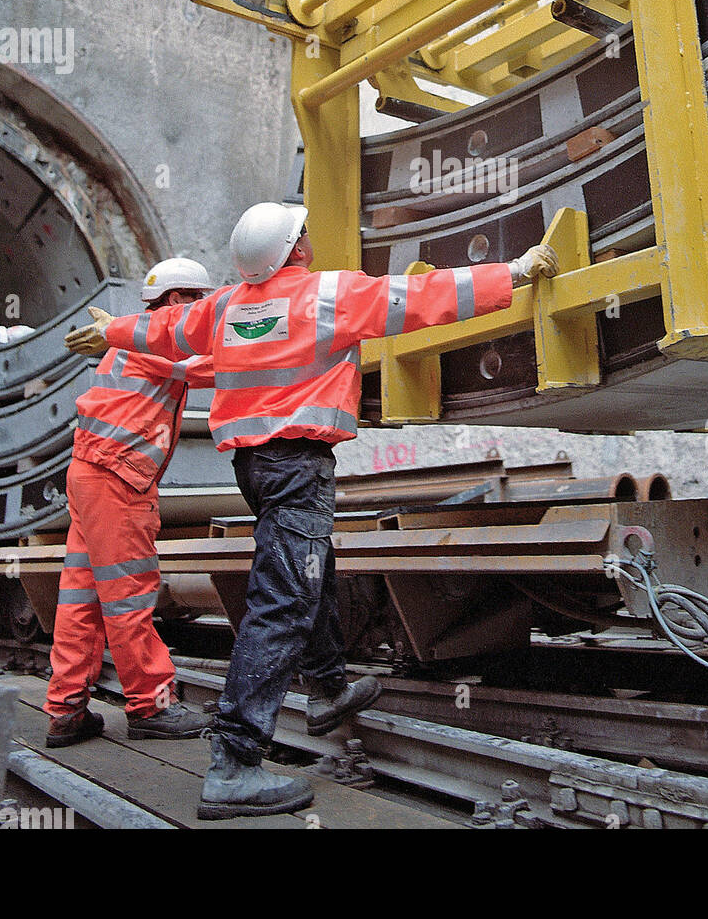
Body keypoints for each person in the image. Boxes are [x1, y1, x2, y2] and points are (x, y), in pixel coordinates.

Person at [65, 202, 558, 816]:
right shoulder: (329, 296)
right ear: (295, 249)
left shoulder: (226, 307)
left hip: (254, 469)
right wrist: (512, 273)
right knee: (284, 600)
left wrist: (110, 330)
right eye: (304, 233)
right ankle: (234, 762)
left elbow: (165, 331)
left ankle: (328, 689)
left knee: (308, 568)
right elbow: (420, 296)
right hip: (298, 468)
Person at [44, 257, 217, 748]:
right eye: (199, 302)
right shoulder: (152, 338)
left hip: (91, 474)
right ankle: (150, 705)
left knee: (83, 596)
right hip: (119, 480)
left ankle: (66, 712)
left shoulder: (129, 338)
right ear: (179, 301)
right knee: (129, 598)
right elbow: (215, 367)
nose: (203, 313)